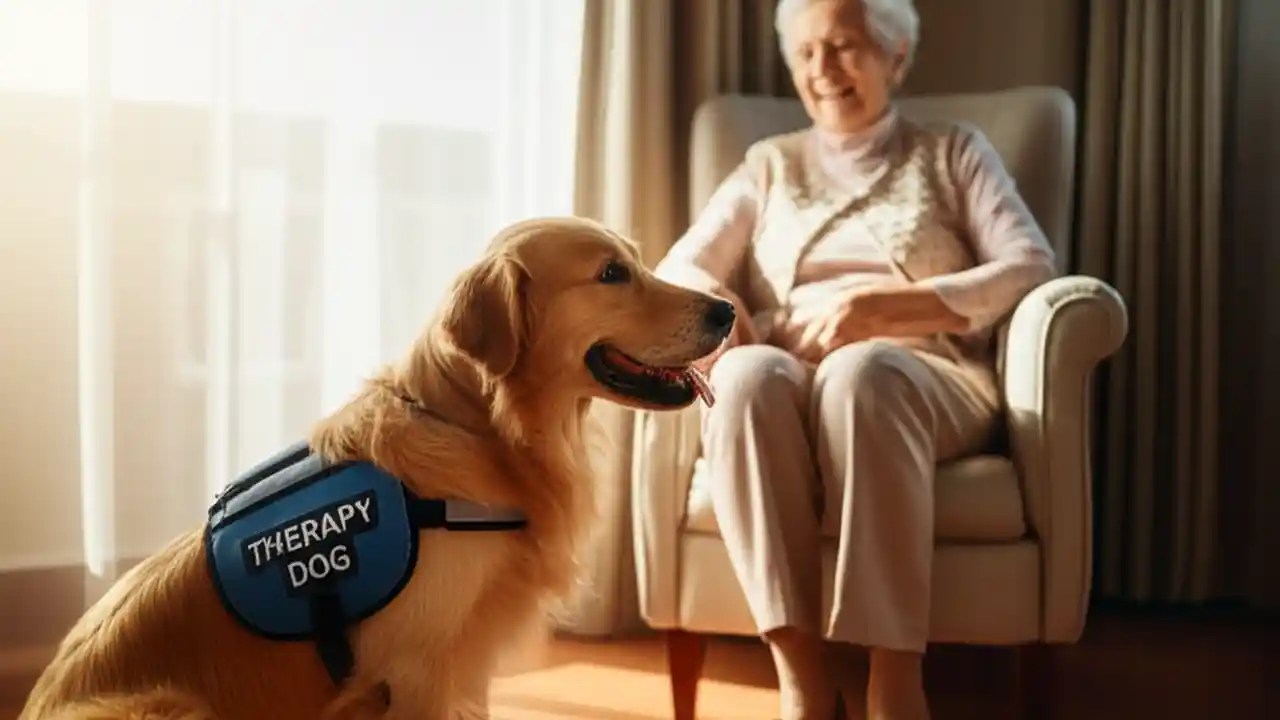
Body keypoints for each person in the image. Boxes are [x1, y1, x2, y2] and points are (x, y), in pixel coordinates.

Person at [653, 1, 1057, 718]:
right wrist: (719, 300)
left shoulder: (953, 151)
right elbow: (683, 263)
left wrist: (890, 309)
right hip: (792, 365)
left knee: (863, 371)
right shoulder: (768, 166)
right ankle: (804, 680)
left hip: (924, 373)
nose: (822, 70)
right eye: (807, 53)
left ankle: (894, 683)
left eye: (844, 47)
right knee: (742, 379)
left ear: (895, 57)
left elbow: (1029, 264)